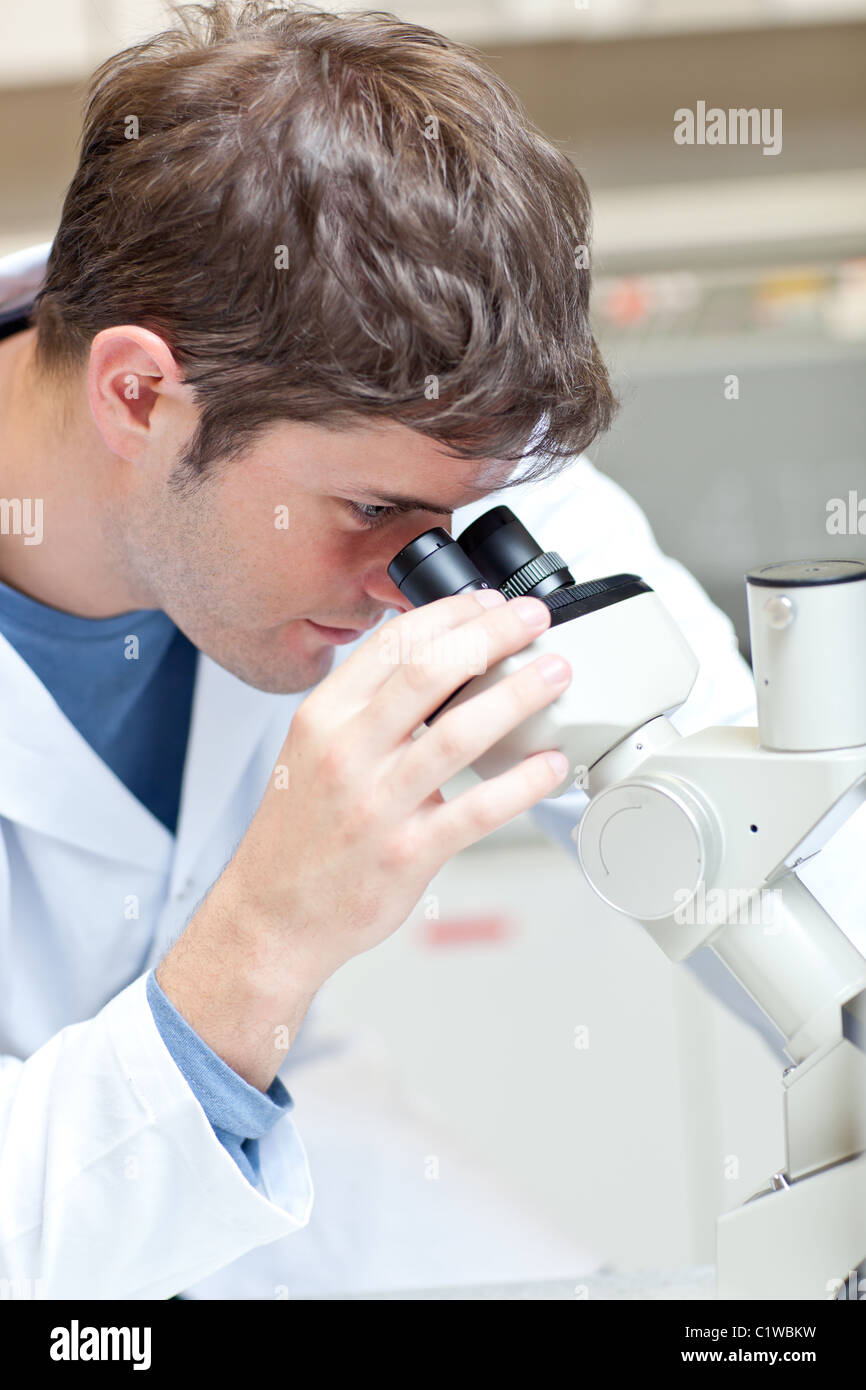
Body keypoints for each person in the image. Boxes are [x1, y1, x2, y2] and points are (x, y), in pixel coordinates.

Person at [0, 2, 781, 1299]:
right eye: (373, 517)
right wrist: (262, 938)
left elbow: (768, 838)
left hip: (276, 1183)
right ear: (139, 394)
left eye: (456, 515)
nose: (406, 580)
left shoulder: (390, 422)